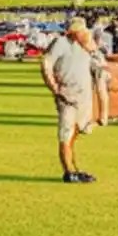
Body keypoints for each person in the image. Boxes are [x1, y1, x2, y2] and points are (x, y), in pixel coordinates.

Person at [41, 18, 97, 183]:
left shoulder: (84, 46)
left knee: (75, 132)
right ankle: (68, 171)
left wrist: (90, 45)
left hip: (83, 97)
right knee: (66, 133)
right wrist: (54, 87)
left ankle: (74, 168)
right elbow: (46, 64)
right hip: (68, 96)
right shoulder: (61, 43)